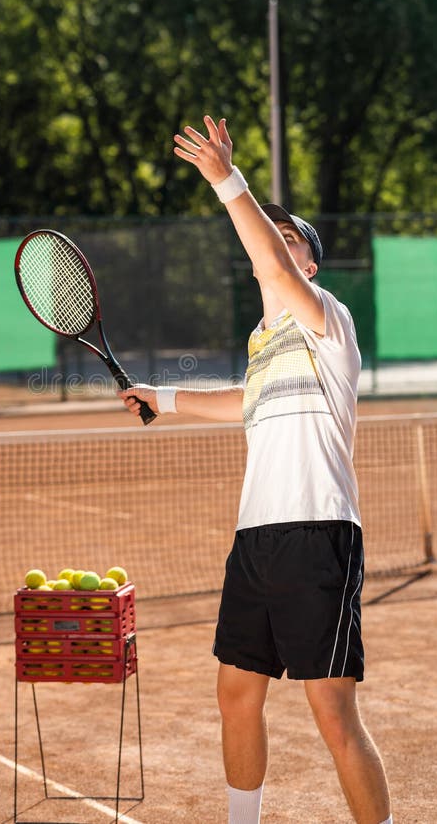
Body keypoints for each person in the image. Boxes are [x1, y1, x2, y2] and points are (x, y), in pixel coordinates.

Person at [118, 116, 392, 824]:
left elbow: (268, 261)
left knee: (331, 710)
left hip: (317, 531)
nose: (276, 245)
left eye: (289, 237)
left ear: (308, 264)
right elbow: (244, 402)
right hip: (257, 540)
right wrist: (165, 398)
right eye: (272, 237)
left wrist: (225, 179)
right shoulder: (265, 340)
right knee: (236, 693)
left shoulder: (325, 319)